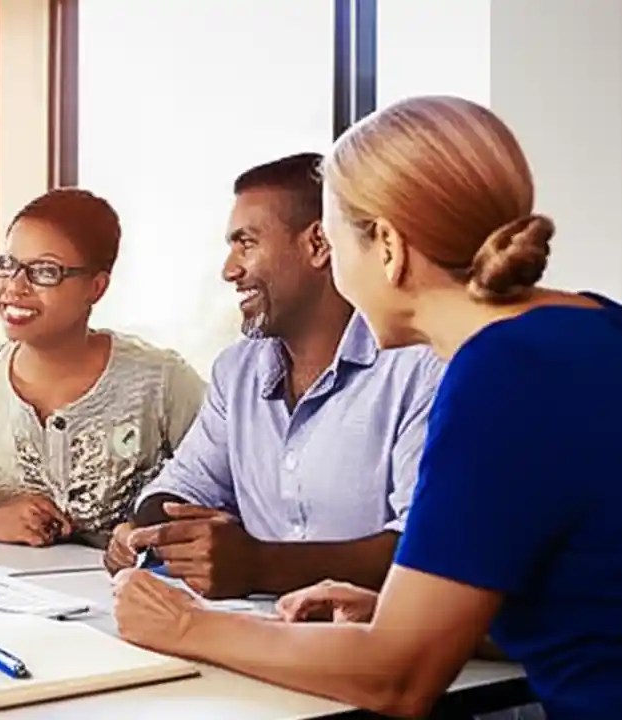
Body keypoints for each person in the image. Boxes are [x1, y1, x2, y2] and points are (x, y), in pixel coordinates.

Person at [112, 95, 622, 718]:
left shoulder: (502, 375)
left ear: (386, 245)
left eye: (337, 235)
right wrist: (395, 611)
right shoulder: (603, 329)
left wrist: (186, 626)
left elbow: (397, 682)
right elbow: (608, 601)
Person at [103, 153, 444, 599]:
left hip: (388, 647)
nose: (230, 270)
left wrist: (260, 566)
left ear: (319, 245)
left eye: (246, 243)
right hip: (264, 634)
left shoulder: (419, 367)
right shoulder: (237, 371)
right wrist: (147, 536)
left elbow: (427, 548)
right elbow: (179, 488)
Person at [0, 188, 205, 548]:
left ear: (96, 287)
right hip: (5, 597)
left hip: (133, 595)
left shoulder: (161, 380)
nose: (14, 286)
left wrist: (143, 531)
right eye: (7, 265)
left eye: (45, 271)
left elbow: (226, 491)